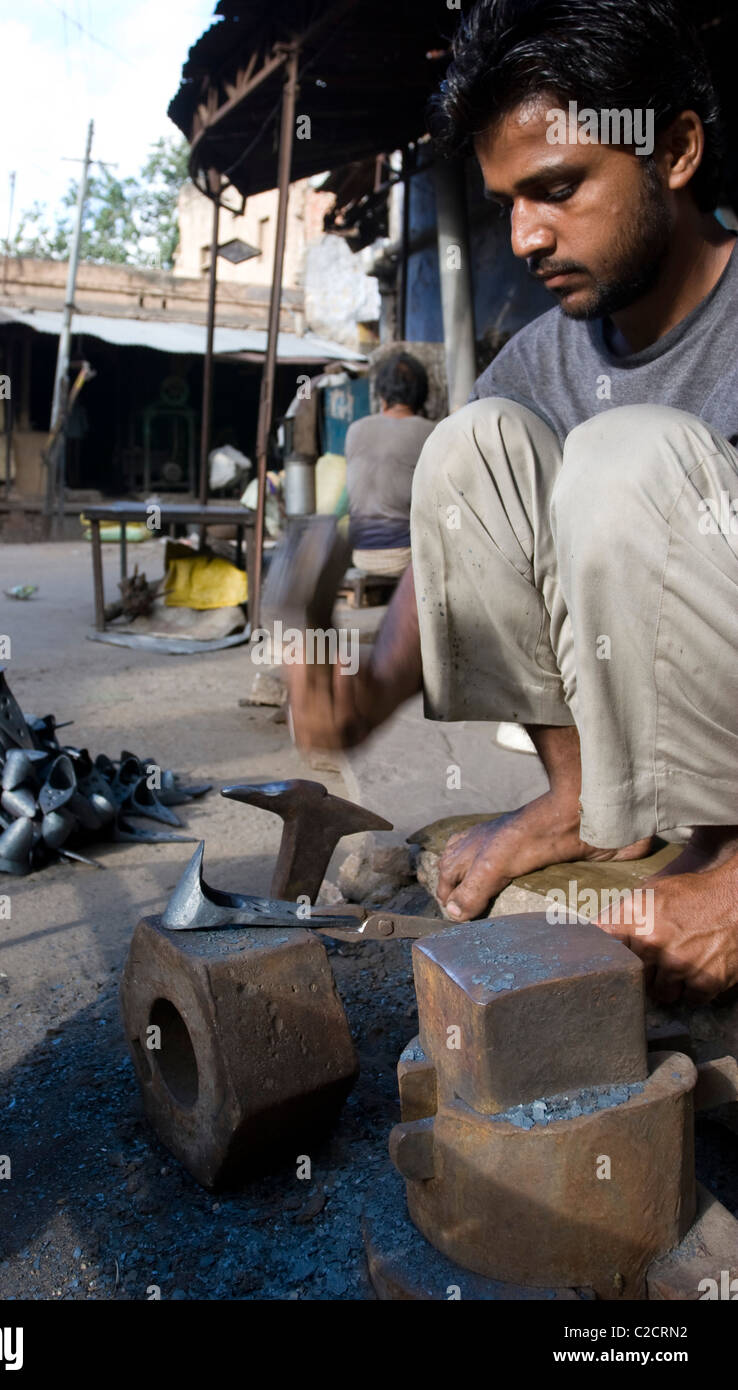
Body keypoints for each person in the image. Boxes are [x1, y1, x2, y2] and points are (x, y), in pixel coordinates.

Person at [287, 0, 738, 1004]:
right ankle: (584, 800)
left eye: (557, 187)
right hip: (638, 751)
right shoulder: (543, 354)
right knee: (471, 446)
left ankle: (720, 850)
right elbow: (464, 521)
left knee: (620, 460)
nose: (527, 235)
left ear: (671, 150)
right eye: (506, 205)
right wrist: (364, 691)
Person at [342, 352, 436, 577]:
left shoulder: (355, 430)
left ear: (381, 394)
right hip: (406, 555)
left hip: (361, 553)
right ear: (421, 395)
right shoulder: (431, 431)